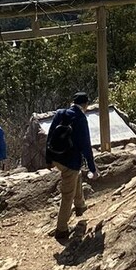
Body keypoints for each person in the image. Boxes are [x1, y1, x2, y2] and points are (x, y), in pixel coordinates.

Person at [45, 91, 96, 241]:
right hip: (70, 162)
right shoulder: (80, 118)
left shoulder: (60, 113)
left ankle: (80, 205)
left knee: (77, 175)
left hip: (55, 157)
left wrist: (48, 159)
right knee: (67, 194)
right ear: (85, 104)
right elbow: (85, 145)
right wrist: (92, 167)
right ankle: (61, 229)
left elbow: (50, 136)